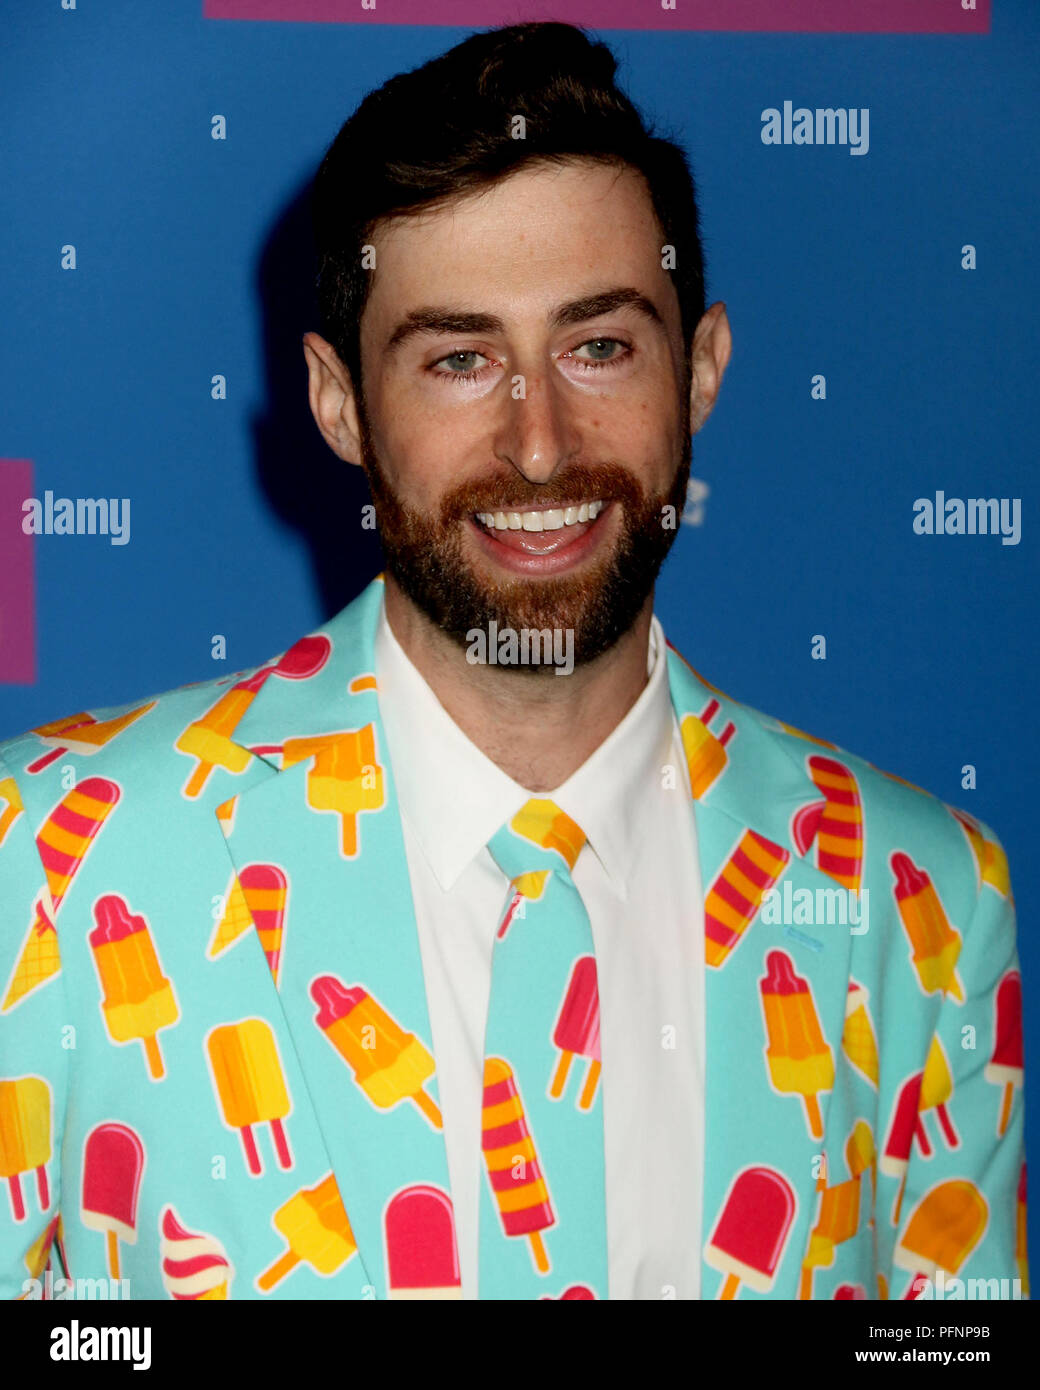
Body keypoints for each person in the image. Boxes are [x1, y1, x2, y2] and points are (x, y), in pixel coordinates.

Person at [0, 21, 1024, 1302]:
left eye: (597, 346)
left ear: (699, 368)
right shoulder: (46, 860)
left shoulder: (915, 902)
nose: (537, 445)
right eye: (458, 360)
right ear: (336, 402)